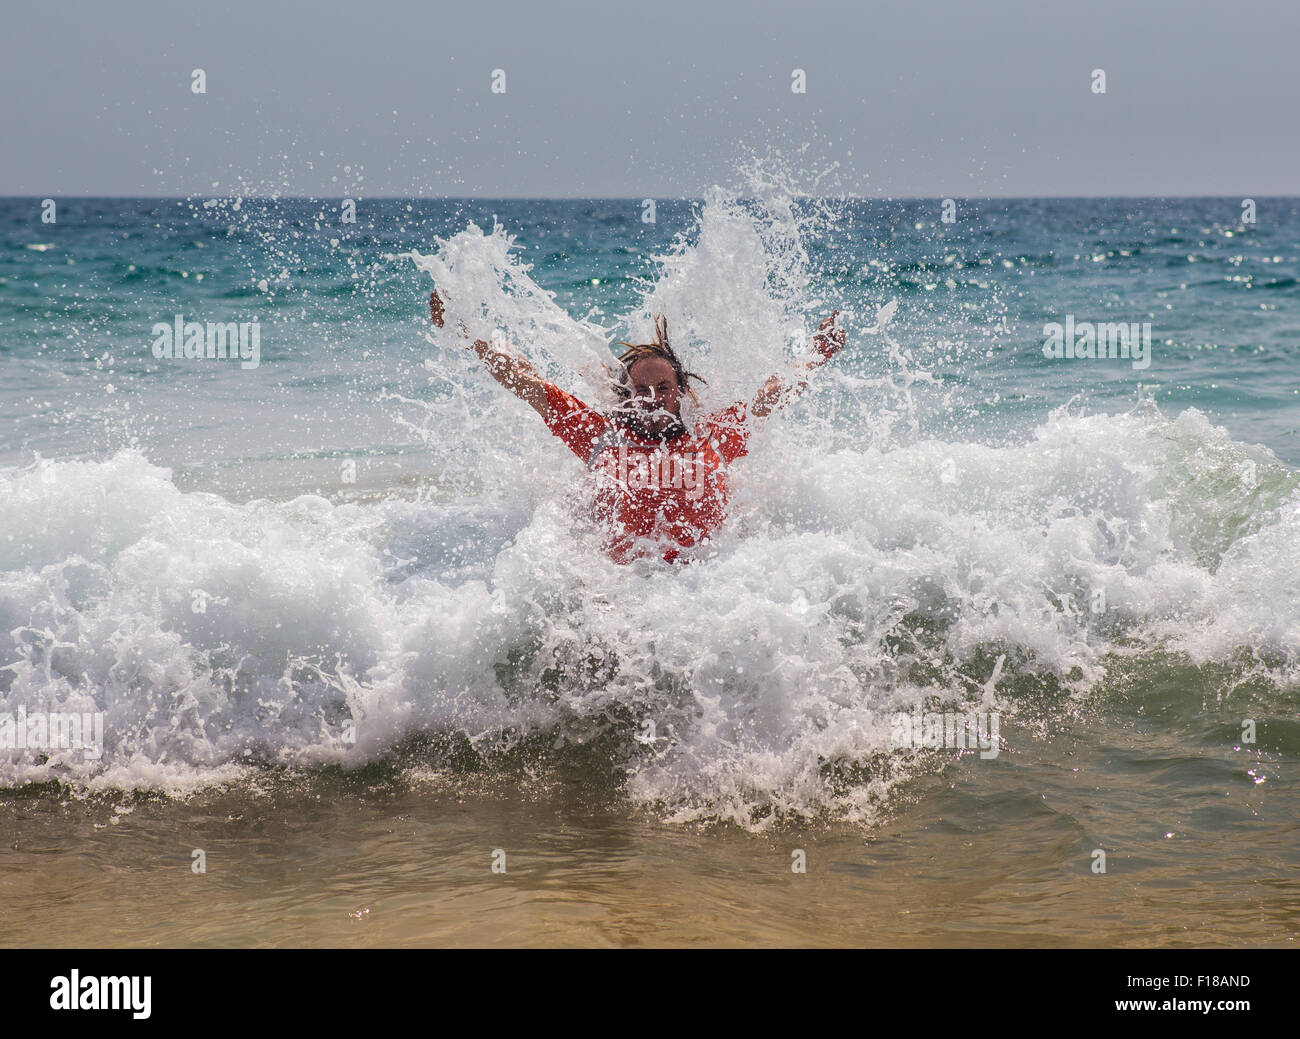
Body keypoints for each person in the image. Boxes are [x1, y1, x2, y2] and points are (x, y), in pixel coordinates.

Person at [429, 291, 846, 562]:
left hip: (710, 589)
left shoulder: (712, 437)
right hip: (626, 591)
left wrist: (816, 355)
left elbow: (769, 396)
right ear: (626, 394)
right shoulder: (601, 436)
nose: (652, 397)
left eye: (663, 387)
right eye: (641, 388)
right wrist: (466, 334)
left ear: (682, 391)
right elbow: (528, 382)